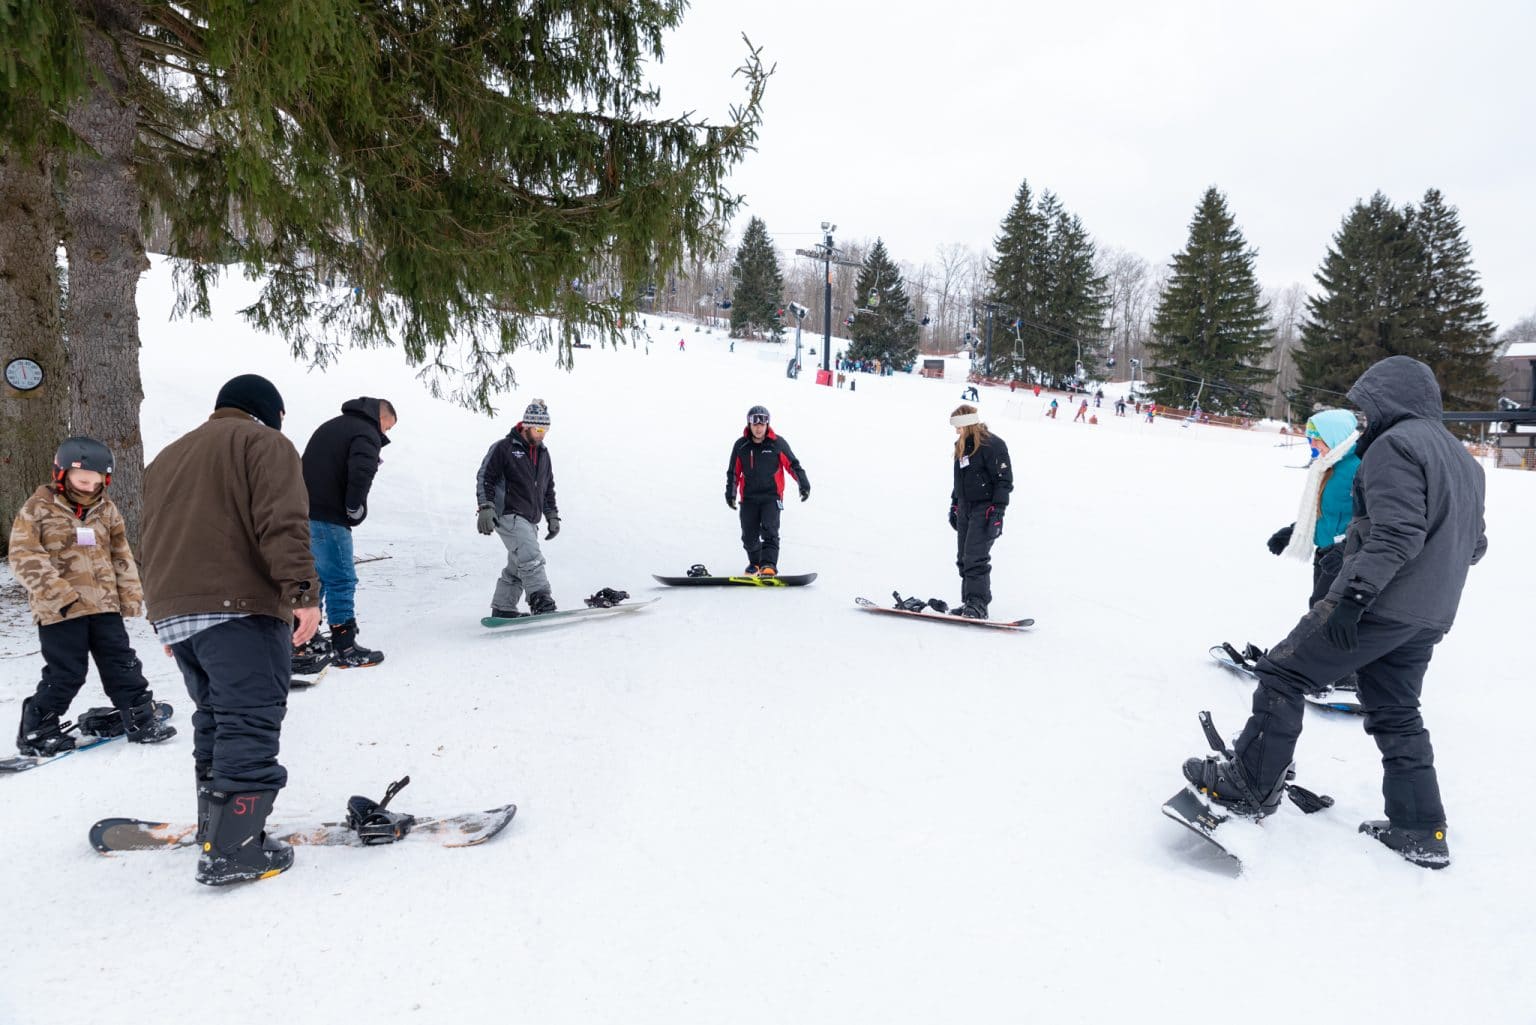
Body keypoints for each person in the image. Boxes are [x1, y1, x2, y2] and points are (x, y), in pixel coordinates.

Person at [1181, 356, 1487, 869]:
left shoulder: (1396, 445)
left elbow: (1398, 533)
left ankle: (1248, 786)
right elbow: (1473, 545)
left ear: (1390, 400)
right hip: (1430, 613)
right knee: (1396, 709)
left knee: (1282, 672)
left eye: (1368, 407)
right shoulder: (1464, 461)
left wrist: (1355, 599)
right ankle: (1420, 828)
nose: (1364, 419)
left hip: (1380, 602)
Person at [141, 374, 321, 886]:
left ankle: (214, 829)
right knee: (249, 720)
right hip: (240, 607)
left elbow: (150, 537)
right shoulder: (264, 442)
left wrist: (165, 617)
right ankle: (233, 849)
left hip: (179, 614)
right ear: (270, 411)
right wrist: (304, 595)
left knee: (216, 720)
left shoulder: (168, 457)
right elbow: (283, 522)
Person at [9, 437, 176, 755]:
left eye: (95, 481)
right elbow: (23, 555)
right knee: (67, 672)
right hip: (61, 609)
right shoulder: (38, 508)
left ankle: (140, 718)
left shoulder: (106, 510)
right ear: (62, 474)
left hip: (104, 606)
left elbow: (120, 555)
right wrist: (57, 593)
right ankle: (38, 730)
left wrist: (130, 595)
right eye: (81, 480)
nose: (88, 487)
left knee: (122, 663)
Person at [296, 397, 396, 670]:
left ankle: (304, 640)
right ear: (380, 417)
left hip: (304, 513)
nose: (386, 433)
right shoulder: (366, 433)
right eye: (388, 427)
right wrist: (354, 508)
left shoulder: (333, 426)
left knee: (316, 577)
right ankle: (345, 646)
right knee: (341, 579)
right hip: (329, 517)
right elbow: (361, 472)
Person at [476, 399, 560, 617]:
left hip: (530, 519)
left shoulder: (543, 453)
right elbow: (485, 477)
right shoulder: (504, 448)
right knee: (531, 557)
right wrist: (486, 506)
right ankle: (541, 600)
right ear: (526, 425)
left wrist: (552, 515)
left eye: (546, 430)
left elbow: (547, 487)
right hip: (509, 513)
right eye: (539, 430)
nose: (542, 435)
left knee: (517, 566)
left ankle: (503, 607)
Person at [725, 405, 810, 576]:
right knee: (748, 537)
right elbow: (733, 472)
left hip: (772, 497)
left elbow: (793, 465)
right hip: (748, 498)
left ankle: (768, 565)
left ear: (767, 424)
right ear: (749, 424)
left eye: (762, 424)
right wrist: (731, 494)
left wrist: (803, 485)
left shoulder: (777, 443)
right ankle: (755, 563)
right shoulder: (741, 446)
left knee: (770, 531)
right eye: (755, 424)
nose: (758, 428)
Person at [948, 405, 1012, 619]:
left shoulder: (993, 445)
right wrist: (955, 504)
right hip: (965, 506)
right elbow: (959, 479)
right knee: (963, 558)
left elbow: (1004, 481)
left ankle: (978, 604)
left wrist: (998, 512)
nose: (956, 431)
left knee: (975, 557)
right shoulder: (962, 445)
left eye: (958, 426)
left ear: (967, 423)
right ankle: (969, 601)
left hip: (985, 508)